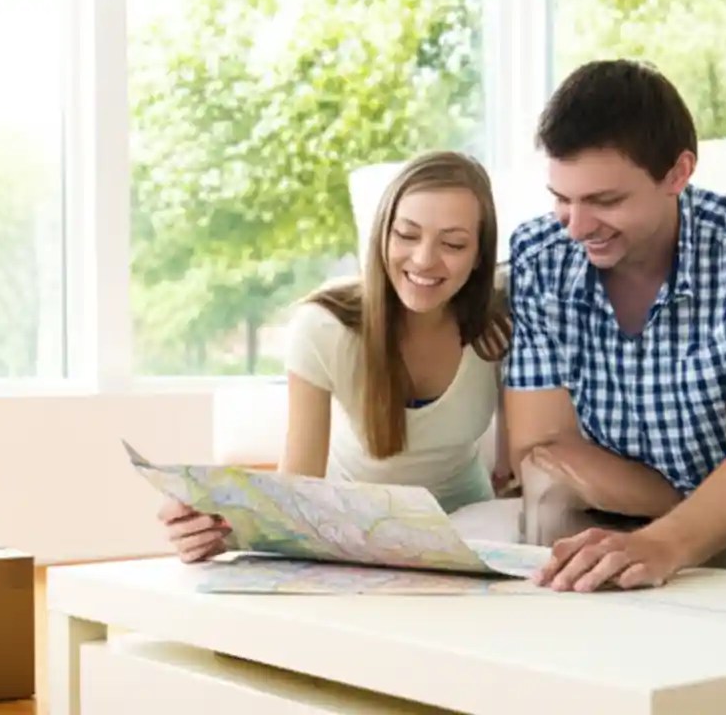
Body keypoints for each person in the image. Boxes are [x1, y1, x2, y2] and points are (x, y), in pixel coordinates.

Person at [504, 58, 726, 592]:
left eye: (605, 200)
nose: (578, 228)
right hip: (633, 495)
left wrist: (667, 541)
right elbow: (542, 447)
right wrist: (671, 511)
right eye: (562, 199)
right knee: (554, 496)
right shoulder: (539, 256)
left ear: (678, 173)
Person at [160, 150, 514, 563]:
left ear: (478, 257)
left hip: (469, 532)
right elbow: (299, 484)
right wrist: (221, 530)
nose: (423, 259)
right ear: (382, 234)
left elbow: (518, 469)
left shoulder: (500, 324)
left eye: (453, 244)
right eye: (407, 235)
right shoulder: (325, 327)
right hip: (353, 534)